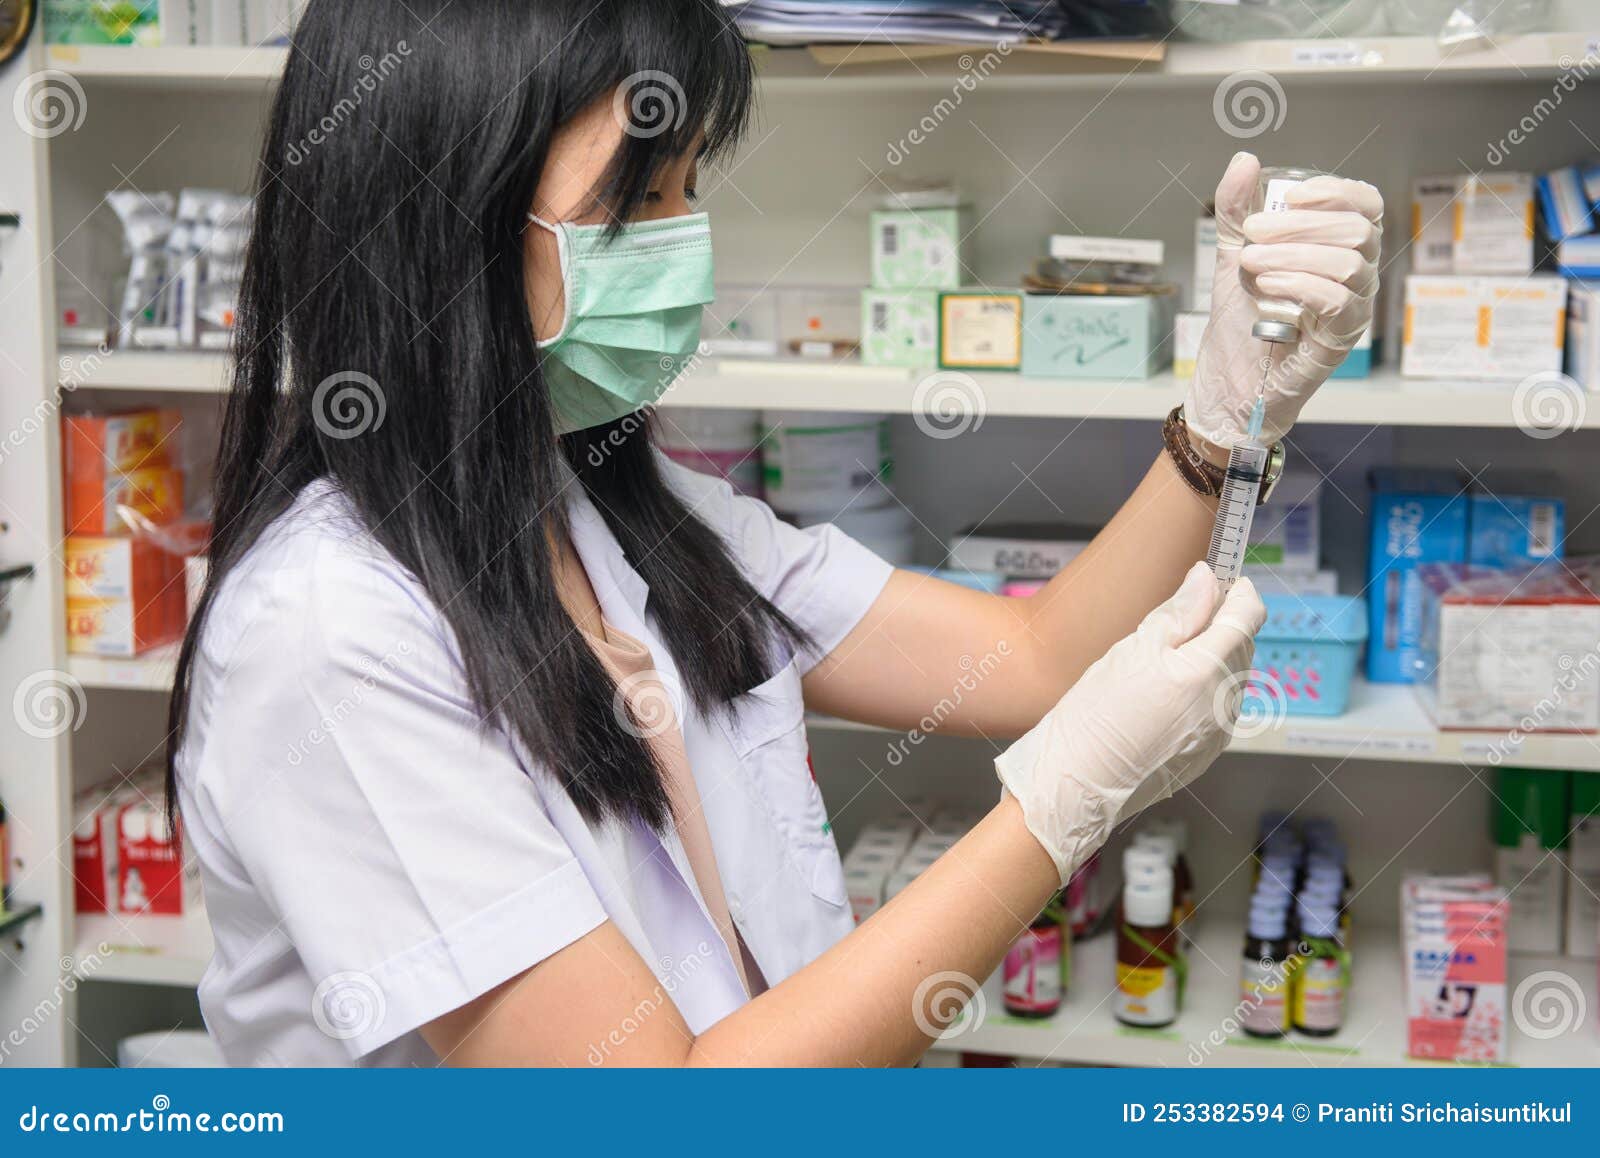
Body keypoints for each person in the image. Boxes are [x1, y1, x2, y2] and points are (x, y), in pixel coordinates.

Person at [166, 0, 1382, 1066]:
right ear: (447, 218)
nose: (687, 236)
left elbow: (1031, 661)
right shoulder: (328, 636)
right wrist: (1059, 807)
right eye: (639, 195)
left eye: (690, 183)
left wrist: (1226, 417)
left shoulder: (612, 509)